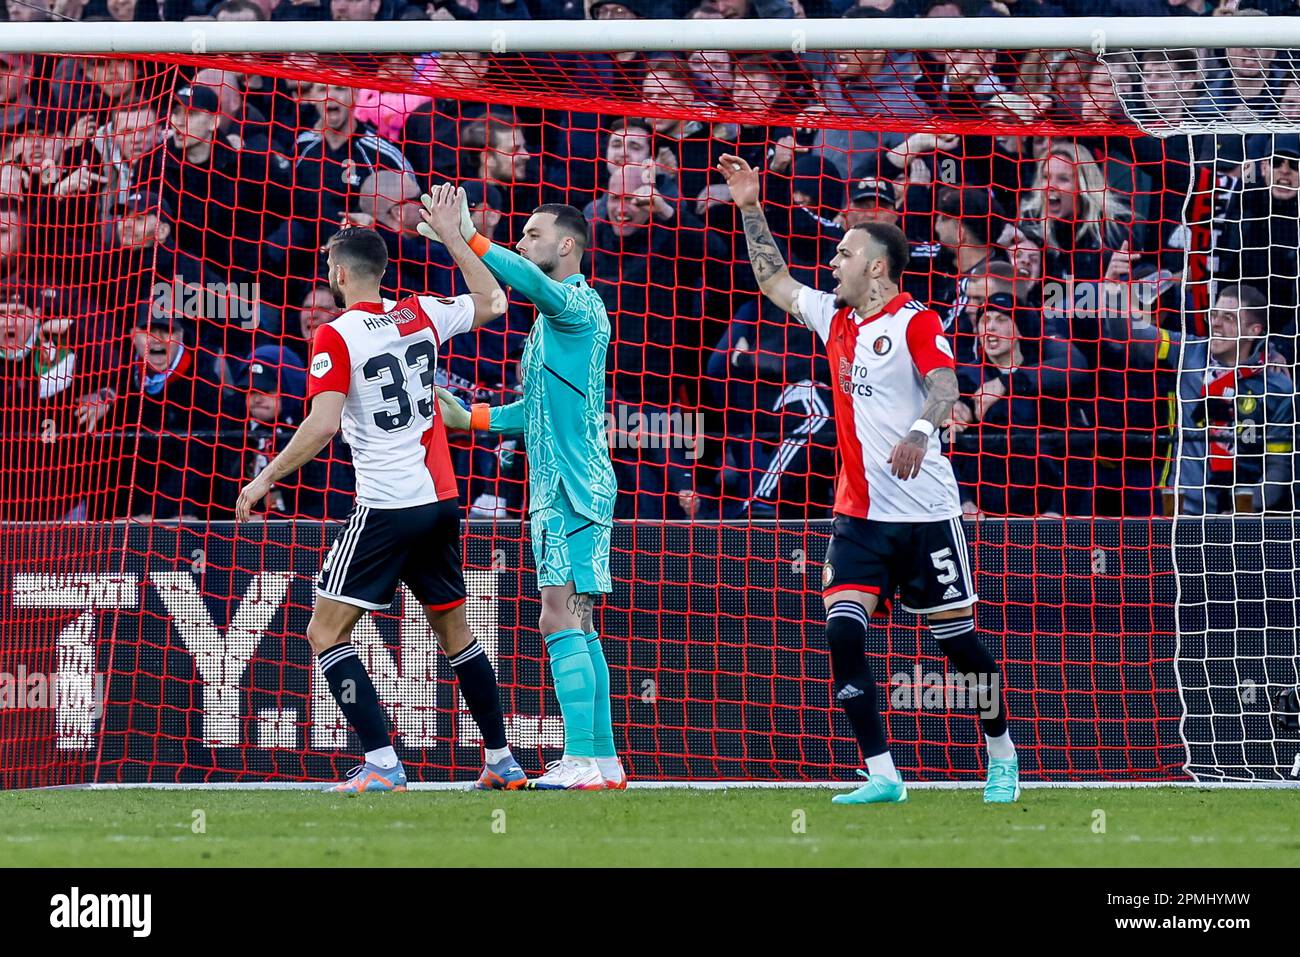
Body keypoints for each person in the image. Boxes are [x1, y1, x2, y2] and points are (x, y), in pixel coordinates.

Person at [719, 152, 1019, 805]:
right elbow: (774, 281)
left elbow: (944, 384)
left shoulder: (916, 320)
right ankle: (883, 772)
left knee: (960, 645)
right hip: (858, 515)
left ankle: (1001, 753)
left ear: (877, 266)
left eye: (846, 253)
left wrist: (921, 431)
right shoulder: (835, 316)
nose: (833, 262)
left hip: (926, 513)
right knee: (842, 630)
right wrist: (749, 205)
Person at [234, 190, 525, 793]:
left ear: (338, 274)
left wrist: (264, 478)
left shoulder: (335, 335)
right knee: (456, 635)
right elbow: (494, 301)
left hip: (386, 507)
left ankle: (384, 764)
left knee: (324, 633)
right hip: (441, 501)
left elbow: (321, 423)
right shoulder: (419, 312)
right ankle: (501, 761)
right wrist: (452, 234)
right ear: (384, 271)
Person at [430, 192, 625, 792]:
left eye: (532, 235)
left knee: (557, 614)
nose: (522, 244)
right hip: (562, 481)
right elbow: (538, 410)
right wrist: (475, 421)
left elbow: (524, 282)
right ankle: (602, 761)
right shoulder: (552, 323)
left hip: (570, 484)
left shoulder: (574, 304)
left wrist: (466, 236)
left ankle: (580, 759)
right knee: (578, 620)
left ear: (566, 246)